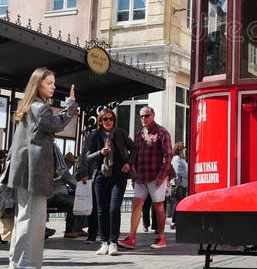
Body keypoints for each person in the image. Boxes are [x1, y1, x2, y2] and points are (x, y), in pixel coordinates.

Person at [0, 68, 78, 269]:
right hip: (34, 173)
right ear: (37, 84)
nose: (53, 86)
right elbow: (57, 124)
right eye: (49, 82)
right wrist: (70, 106)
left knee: (24, 218)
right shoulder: (40, 108)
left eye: (53, 82)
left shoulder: (27, 107)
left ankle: (16, 268)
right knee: (33, 220)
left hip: (24, 173)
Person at [118, 106, 173, 251]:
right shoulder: (138, 134)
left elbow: (168, 156)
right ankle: (131, 237)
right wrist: (134, 175)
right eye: (141, 116)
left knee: (158, 206)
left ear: (153, 115)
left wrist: (162, 176)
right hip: (141, 177)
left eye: (146, 115)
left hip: (156, 176)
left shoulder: (162, 132)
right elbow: (135, 155)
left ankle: (161, 237)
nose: (143, 118)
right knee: (137, 206)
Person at [82, 107, 134, 256]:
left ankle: (113, 242)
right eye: (105, 119)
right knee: (101, 211)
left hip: (119, 176)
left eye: (111, 119)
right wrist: (101, 153)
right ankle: (104, 242)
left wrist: (129, 163)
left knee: (113, 209)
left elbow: (134, 149)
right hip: (100, 176)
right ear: (100, 121)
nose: (108, 122)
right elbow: (87, 156)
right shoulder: (95, 135)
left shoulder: (120, 133)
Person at [47, 161, 87, 238]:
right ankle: (71, 230)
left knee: (77, 202)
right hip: (57, 196)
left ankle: (77, 228)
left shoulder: (45, 167)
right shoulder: (61, 169)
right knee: (79, 202)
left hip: (47, 198)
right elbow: (75, 185)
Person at [170, 142, 188, 228]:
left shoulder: (181, 159)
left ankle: (177, 221)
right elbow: (177, 171)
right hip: (178, 184)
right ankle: (173, 222)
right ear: (180, 149)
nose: (186, 150)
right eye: (184, 148)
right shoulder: (177, 158)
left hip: (182, 184)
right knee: (177, 203)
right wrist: (188, 175)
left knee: (179, 202)